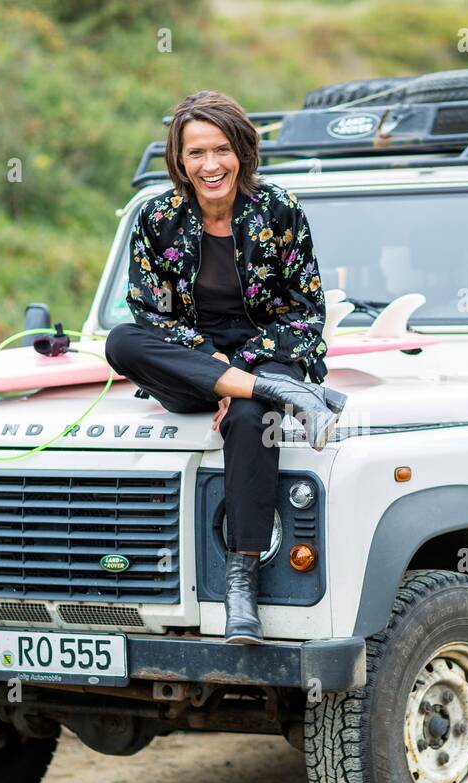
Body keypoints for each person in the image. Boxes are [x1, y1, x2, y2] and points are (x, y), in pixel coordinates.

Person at [105, 89, 346, 644]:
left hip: (271, 350)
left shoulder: (279, 209)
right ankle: (281, 394)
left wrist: (237, 373)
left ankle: (242, 583)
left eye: (220, 150)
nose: (210, 165)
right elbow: (147, 311)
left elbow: (306, 309)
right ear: (179, 160)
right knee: (121, 341)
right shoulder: (156, 218)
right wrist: (207, 361)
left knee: (244, 417)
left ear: (241, 150)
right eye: (195, 153)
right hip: (192, 359)